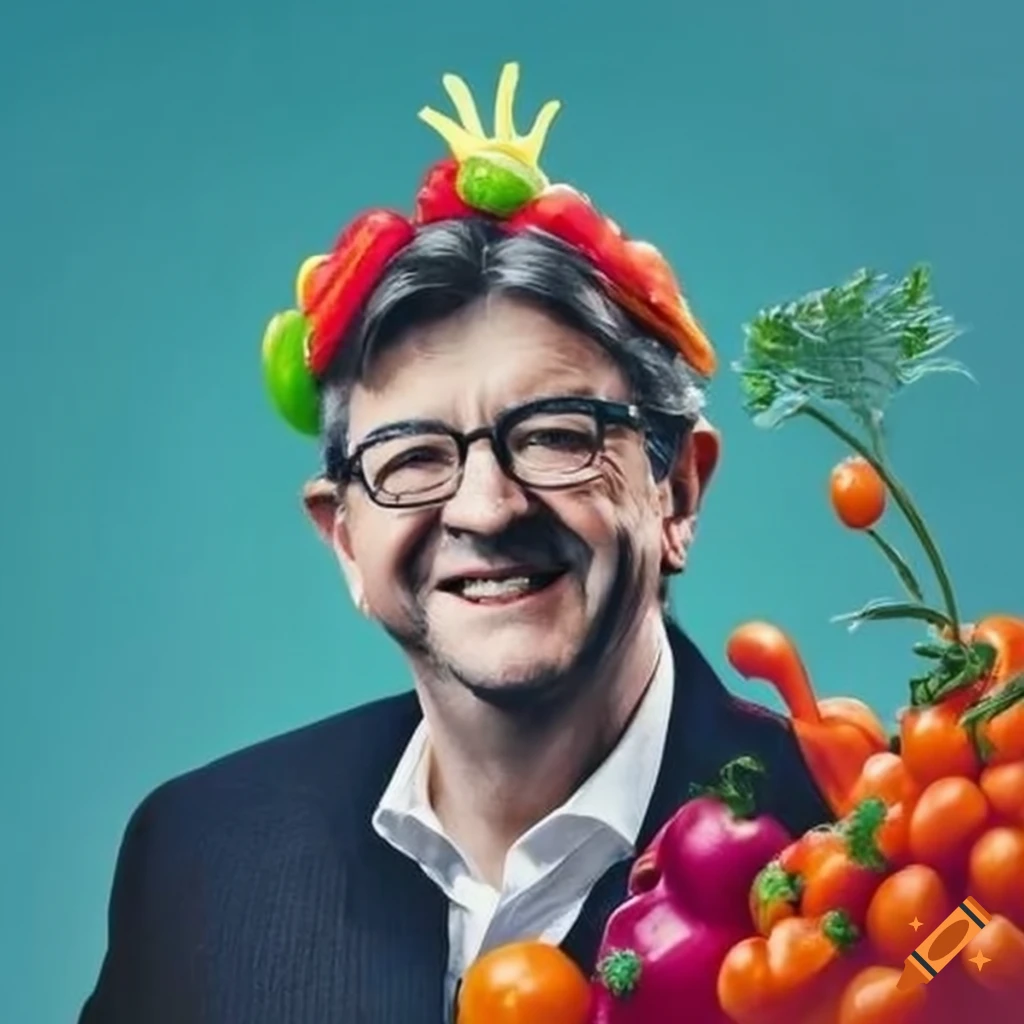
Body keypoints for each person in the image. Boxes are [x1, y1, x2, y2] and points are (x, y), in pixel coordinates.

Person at [80, 62, 831, 1024]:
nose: (485, 507)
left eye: (556, 434)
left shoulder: (882, 854)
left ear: (676, 490)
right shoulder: (199, 856)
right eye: (412, 456)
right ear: (345, 537)